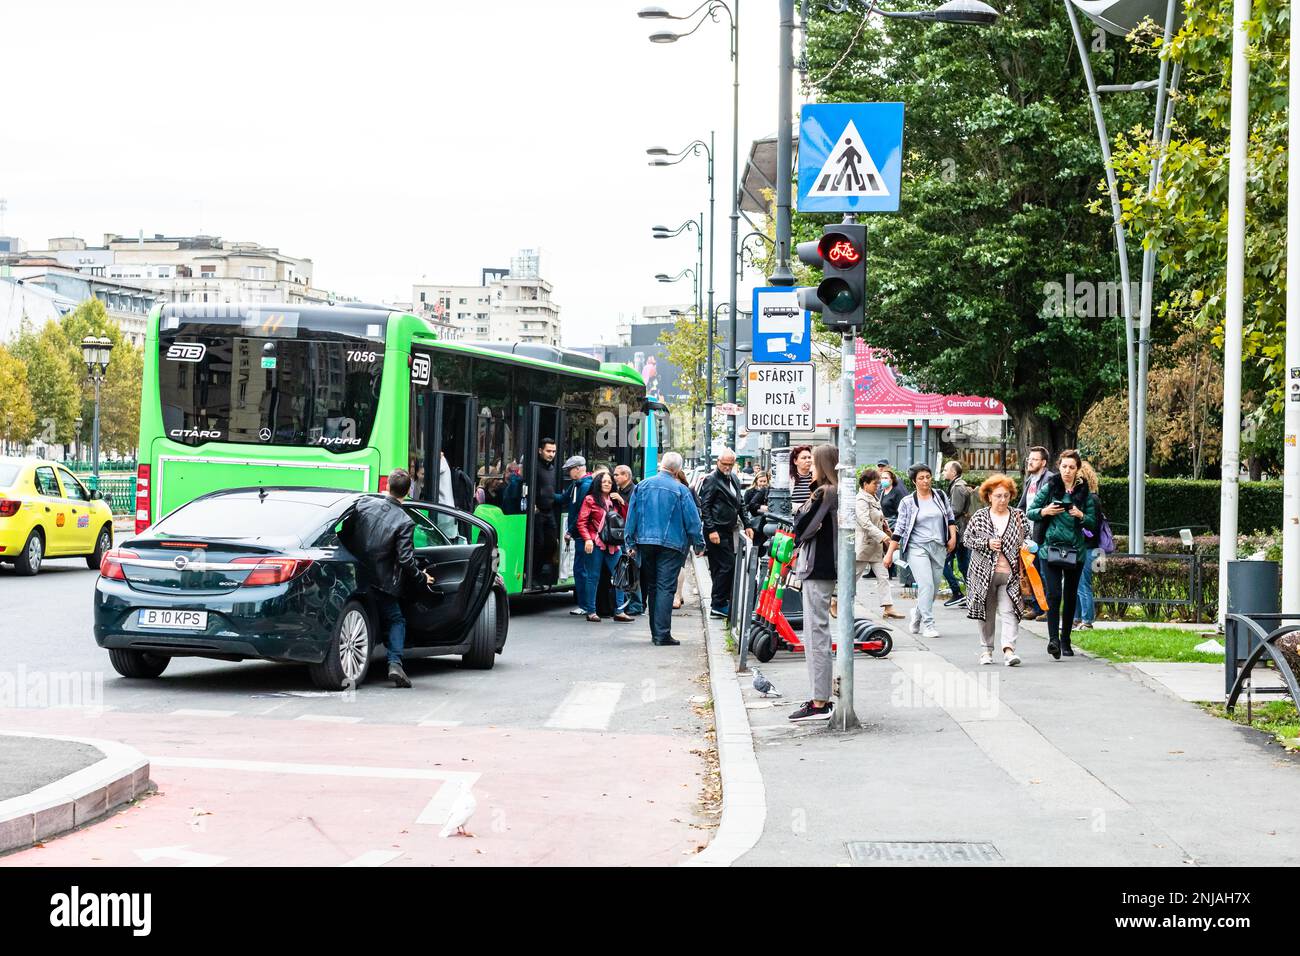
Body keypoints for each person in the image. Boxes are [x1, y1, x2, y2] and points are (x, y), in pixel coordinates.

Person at [339, 469, 434, 688]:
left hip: (354, 574)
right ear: (408, 491)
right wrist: (422, 577)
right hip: (383, 584)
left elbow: (345, 532)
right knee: (396, 619)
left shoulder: (364, 504)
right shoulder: (405, 522)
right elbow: (406, 560)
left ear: (388, 486)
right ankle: (395, 663)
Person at [624, 451, 704, 646]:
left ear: (661, 465)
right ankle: (661, 634)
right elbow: (692, 520)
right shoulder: (681, 490)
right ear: (677, 470)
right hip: (672, 544)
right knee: (665, 588)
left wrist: (630, 542)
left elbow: (631, 515)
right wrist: (698, 542)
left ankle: (656, 633)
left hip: (645, 542)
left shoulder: (642, 486)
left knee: (652, 587)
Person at [1026, 449, 1098, 660]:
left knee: (1070, 596)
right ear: (1059, 466)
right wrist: (1045, 511)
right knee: (1054, 594)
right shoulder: (1051, 487)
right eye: (1064, 466)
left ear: (1078, 470)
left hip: (1076, 551)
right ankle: (1053, 640)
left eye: (1072, 467)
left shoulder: (1085, 493)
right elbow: (1031, 511)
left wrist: (1081, 515)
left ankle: (1066, 640)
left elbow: (1094, 523)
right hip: (1050, 549)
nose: (1067, 471)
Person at [788, 444, 840, 723]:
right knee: (817, 632)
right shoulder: (833, 491)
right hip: (825, 567)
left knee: (815, 633)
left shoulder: (825, 492)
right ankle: (820, 697)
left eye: (814, 462)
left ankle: (820, 700)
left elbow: (801, 527)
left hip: (817, 567)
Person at [884, 463, 957, 639]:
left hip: (938, 546)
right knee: (926, 585)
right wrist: (888, 554)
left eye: (928, 477)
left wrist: (952, 537)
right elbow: (899, 530)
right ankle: (929, 624)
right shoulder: (908, 502)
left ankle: (917, 614)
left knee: (932, 590)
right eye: (921, 478)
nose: (925, 481)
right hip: (917, 548)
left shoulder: (940, 496)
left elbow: (949, 517)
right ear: (914, 481)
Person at [963, 474, 1029, 667]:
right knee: (986, 613)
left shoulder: (1018, 516)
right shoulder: (980, 516)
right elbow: (967, 539)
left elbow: (1029, 539)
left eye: (1006, 496)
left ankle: (1009, 650)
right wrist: (986, 543)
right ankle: (986, 650)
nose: (1002, 500)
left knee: (1010, 612)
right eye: (998, 495)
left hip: (1011, 574)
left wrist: (1026, 545)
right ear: (989, 496)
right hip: (983, 574)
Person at [698, 448, 753, 619]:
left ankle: (721, 602)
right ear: (718, 462)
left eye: (731, 464)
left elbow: (741, 503)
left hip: (728, 529)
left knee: (720, 567)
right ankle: (719, 603)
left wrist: (748, 523)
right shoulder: (712, 480)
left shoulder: (734, 478)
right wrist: (712, 529)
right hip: (716, 530)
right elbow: (705, 506)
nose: (727, 467)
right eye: (725, 464)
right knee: (727, 565)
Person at [576, 470, 634, 624]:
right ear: (598, 484)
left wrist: (622, 502)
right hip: (596, 544)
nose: (607, 484)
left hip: (613, 545)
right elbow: (581, 522)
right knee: (593, 577)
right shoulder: (590, 500)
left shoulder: (615, 501)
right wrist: (588, 539)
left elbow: (625, 520)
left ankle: (620, 611)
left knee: (620, 575)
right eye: (604, 482)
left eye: (609, 482)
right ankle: (591, 611)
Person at [854, 468, 905, 620]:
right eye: (875, 483)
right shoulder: (861, 499)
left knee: (883, 576)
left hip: (875, 546)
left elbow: (879, 520)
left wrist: (887, 532)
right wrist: (883, 537)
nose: (878, 485)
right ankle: (836, 601)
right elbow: (865, 523)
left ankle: (888, 607)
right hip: (864, 545)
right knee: (852, 577)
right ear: (865, 484)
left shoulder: (873, 497)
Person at [1017, 445, 1054, 620]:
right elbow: (1023, 506)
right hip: (1030, 534)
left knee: (1045, 574)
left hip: (1043, 534)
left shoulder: (1050, 480)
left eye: (1034, 459)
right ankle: (1038, 607)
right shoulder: (1030, 480)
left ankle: (1049, 609)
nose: (1030, 462)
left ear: (1044, 462)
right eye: (1029, 459)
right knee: (1033, 572)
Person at [561, 455, 593, 616]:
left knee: (581, 569)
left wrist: (570, 531)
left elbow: (582, 513)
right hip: (580, 534)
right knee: (581, 569)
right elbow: (563, 499)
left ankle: (586, 605)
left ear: (579, 468)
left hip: (582, 535)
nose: (569, 473)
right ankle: (586, 604)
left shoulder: (585, 486)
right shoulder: (576, 484)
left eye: (570, 469)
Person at [941, 460, 973, 608]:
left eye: (946, 469)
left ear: (953, 472)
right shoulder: (958, 485)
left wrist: (941, 513)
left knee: (944, 562)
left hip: (959, 532)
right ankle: (971, 597)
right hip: (962, 531)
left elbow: (955, 510)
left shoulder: (958, 487)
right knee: (963, 565)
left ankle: (957, 592)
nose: (943, 471)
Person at [1074, 460, 1102, 631]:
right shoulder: (1085, 499)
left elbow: (1093, 526)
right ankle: (1077, 618)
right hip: (1080, 547)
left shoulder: (1091, 499)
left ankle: (1087, 620)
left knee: (1083, 584)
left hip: (1088, 547)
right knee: (1075, 584)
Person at [612, 465, 643, 615]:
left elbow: (634, 514)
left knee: (632, 572)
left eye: (617, 475)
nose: (614, 477)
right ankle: (629, 604)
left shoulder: (635, 491)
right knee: (624, 571)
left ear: (626, 476)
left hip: (631, 538)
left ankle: (636, 605)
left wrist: (622, 502)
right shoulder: (620, 491)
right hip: (621, 536)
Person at [532, 439, 564, 584]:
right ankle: (534, 574)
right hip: (537, 511)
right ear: (540, 451)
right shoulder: (534, 466)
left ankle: (543, 572)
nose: (551, 454)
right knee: (538, 543)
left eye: (554, 451)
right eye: (548, 451)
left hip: (549, 510)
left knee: (551, 543)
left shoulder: (552, 468)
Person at [673, 467, 699, 609]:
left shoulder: (686, 491)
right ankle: (678, 595)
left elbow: (694, 514)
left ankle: (677, 596)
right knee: (678, 564)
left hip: (682, 533)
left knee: (679, 565)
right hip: (680, 533)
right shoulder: (688, 491)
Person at [789, 445, 814, 511]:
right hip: (793, 519)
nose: (808, 460)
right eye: (804, 458)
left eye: (809, 457)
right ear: (795, 461)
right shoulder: (790, 480)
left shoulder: (815, 478)